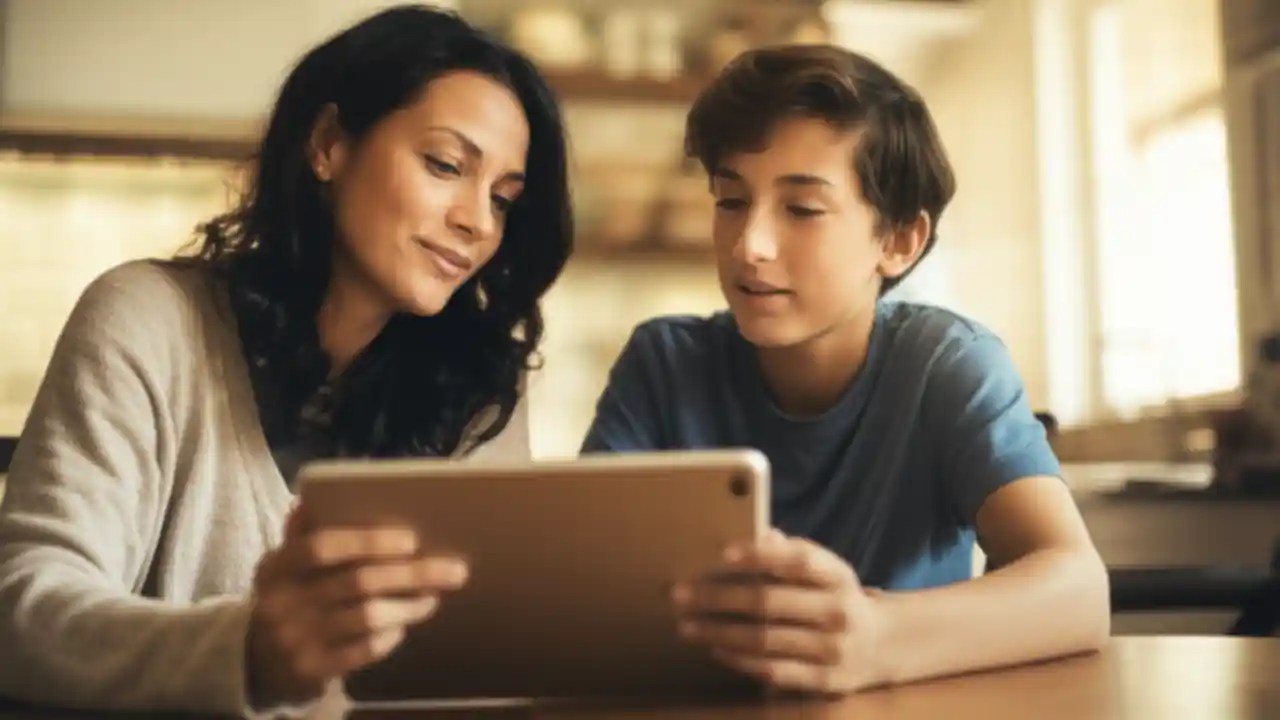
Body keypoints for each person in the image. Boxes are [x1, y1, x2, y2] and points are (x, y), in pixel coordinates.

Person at [0, 5, 572, 714]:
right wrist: (250, 655)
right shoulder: (149, 322)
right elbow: (23, 610)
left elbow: (484, 669)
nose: (478, 222)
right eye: (446, 165)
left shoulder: (480, 393)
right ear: (329, 143)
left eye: (504, 200)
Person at [583, 45, 1109, 693]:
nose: (751, 245)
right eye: (730, 201)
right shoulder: (664, 364)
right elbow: (582, 593)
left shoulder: (946, 365)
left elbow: (1081, 590)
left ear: (898, 241)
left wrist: (876, 637)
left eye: (802, 210)